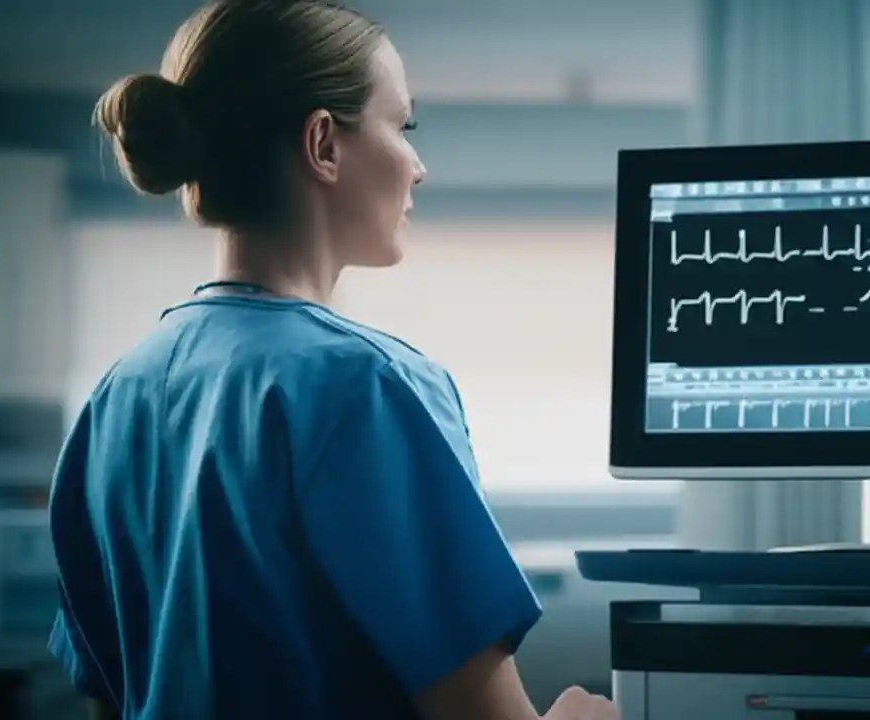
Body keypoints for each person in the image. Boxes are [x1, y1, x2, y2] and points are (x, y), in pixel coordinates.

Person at [46, 1, 619, 719]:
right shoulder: (366, 386)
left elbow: (107, 699)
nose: (418, 167)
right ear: (323, 144)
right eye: (403, 127)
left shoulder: (116, 397)